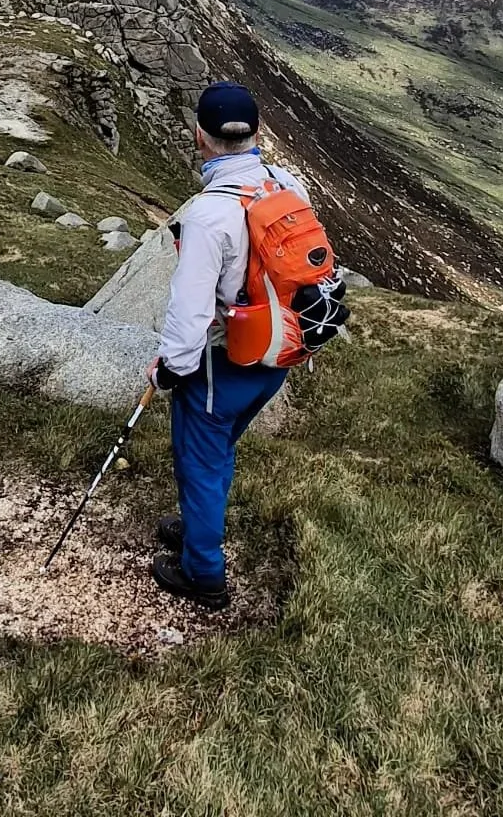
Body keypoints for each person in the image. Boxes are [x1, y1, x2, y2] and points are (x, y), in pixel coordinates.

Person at [147, 80, 311, 609]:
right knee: (216, 452)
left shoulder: (207, 215)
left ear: (201, 137)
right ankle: (198, 525)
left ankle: (203, 573)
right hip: (279, 352)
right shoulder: (286, 186)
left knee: (200, 458)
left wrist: (170, 369)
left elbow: (191, 308)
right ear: (258, 134)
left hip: (226, 361)